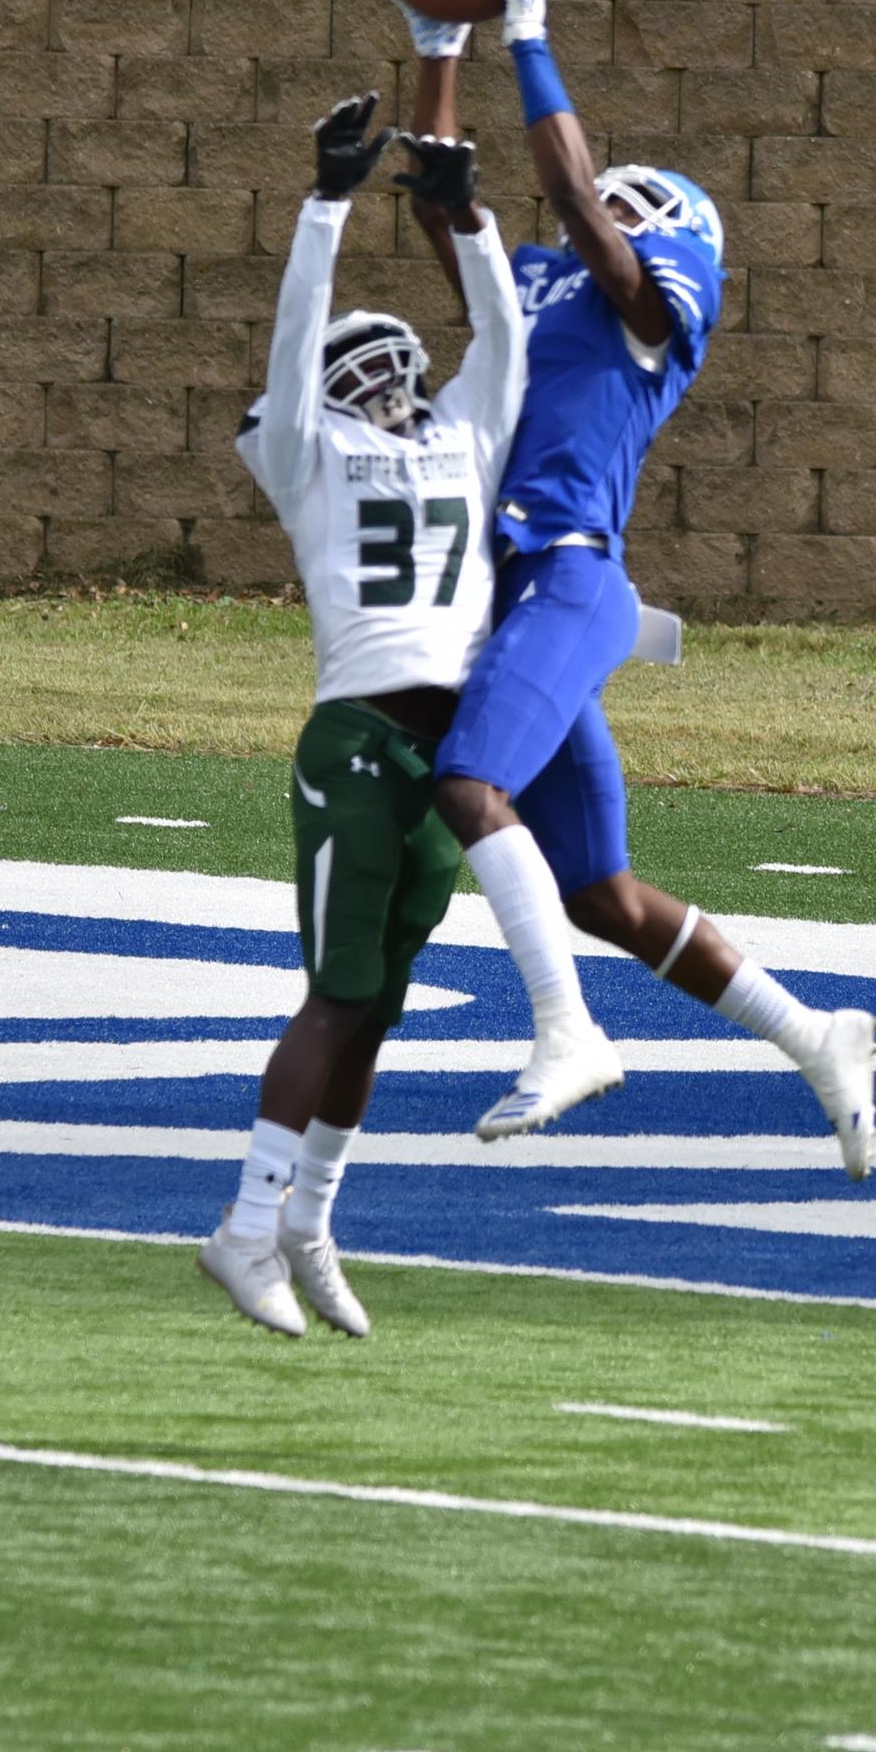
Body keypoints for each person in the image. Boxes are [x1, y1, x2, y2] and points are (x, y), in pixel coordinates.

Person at [394, 0, 876, 1175]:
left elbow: (572, 208)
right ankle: (816, 1036)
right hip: (509, 588)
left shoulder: (652, 307)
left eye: (623, 196)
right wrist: (435, 51)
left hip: (567, 574)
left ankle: (565, 1032)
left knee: (467, 787)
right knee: (597, 892)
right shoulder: (549, 285)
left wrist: (529, 37)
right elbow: (447, 205)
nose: (601, 196)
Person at [198, 92, 621, 1342]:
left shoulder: (461, 435)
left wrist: (471, 213)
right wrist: (325, 202)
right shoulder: (302, 449)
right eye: (357, 367)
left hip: (446, 749)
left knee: (376, 1002)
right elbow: (287, 352)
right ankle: (241, 1228)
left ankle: (311, 1221)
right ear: (326, 392)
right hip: (356, 738)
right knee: (333, 995)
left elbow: (504, 335)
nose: (383, 379)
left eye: (395, 360)